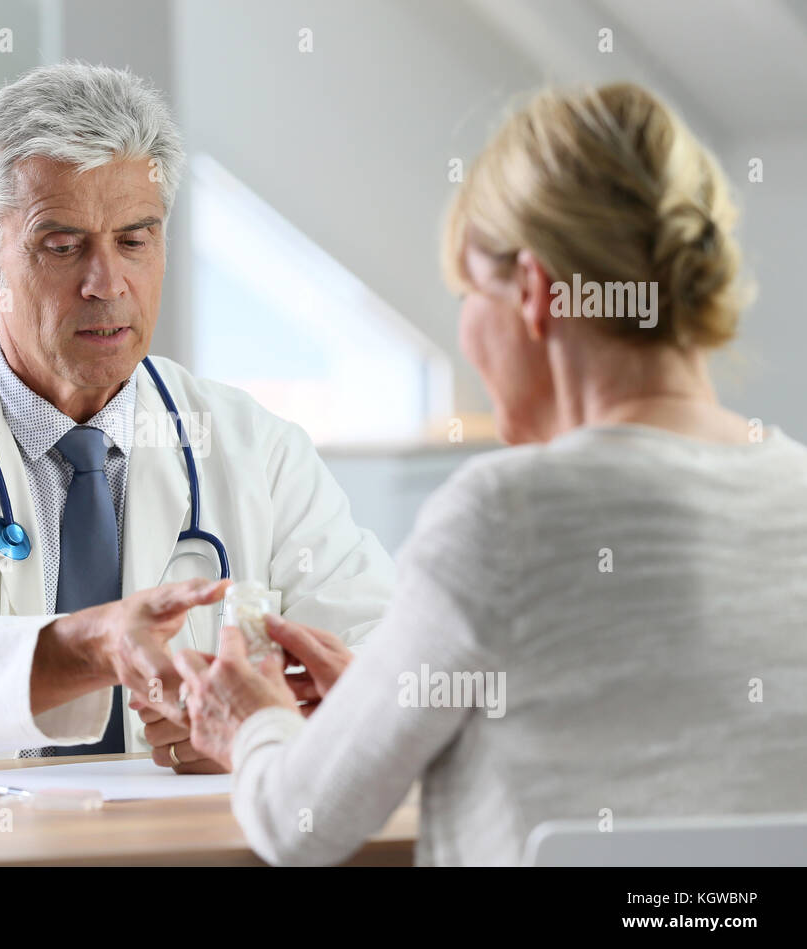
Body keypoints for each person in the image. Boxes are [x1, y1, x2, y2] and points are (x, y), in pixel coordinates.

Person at [173, 81, 807, 864]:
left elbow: (296, 825)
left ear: (536, 292)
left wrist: (251, 722)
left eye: (470, 291)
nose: (467, 326)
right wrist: (378, 706)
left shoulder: (507, 516)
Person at [0, 63, 395, 768]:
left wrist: (271, 726)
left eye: (135, 240)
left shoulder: (258, 451)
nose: (106, 284)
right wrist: (97, 644)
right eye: (63, 246)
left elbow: (385, 665)